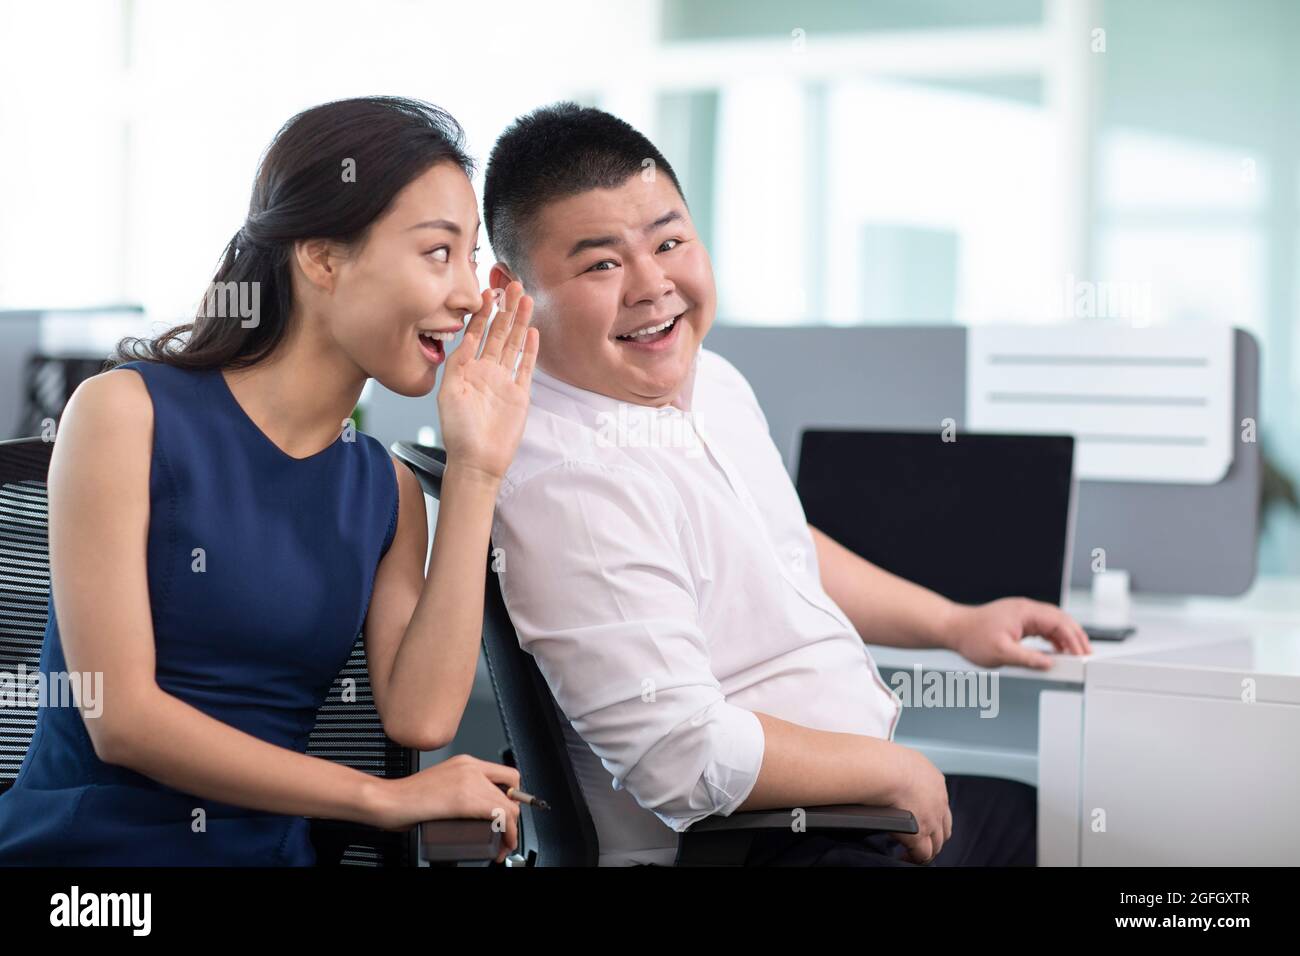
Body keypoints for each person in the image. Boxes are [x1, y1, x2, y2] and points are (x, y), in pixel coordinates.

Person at [480, 102, 1093, 866]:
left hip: (841, 806)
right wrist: (892, 768)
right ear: (512, 292)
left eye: (670, 242)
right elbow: (682, 755)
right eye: (601, 264)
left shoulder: (713, 382)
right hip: (746, 840)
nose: (652, 284)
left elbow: (781, 550)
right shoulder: (570, 481)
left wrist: (956, 624)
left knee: (1052, 823)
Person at [0, 96, 539, 865]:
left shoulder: (384, 490)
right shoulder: (125, 413)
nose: (466, 294)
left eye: (469, 257)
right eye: (436, 253)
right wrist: (379, 800)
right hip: (86, 866)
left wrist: (478, 471)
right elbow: (118, 716)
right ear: (321, 257)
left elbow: (421, 718)